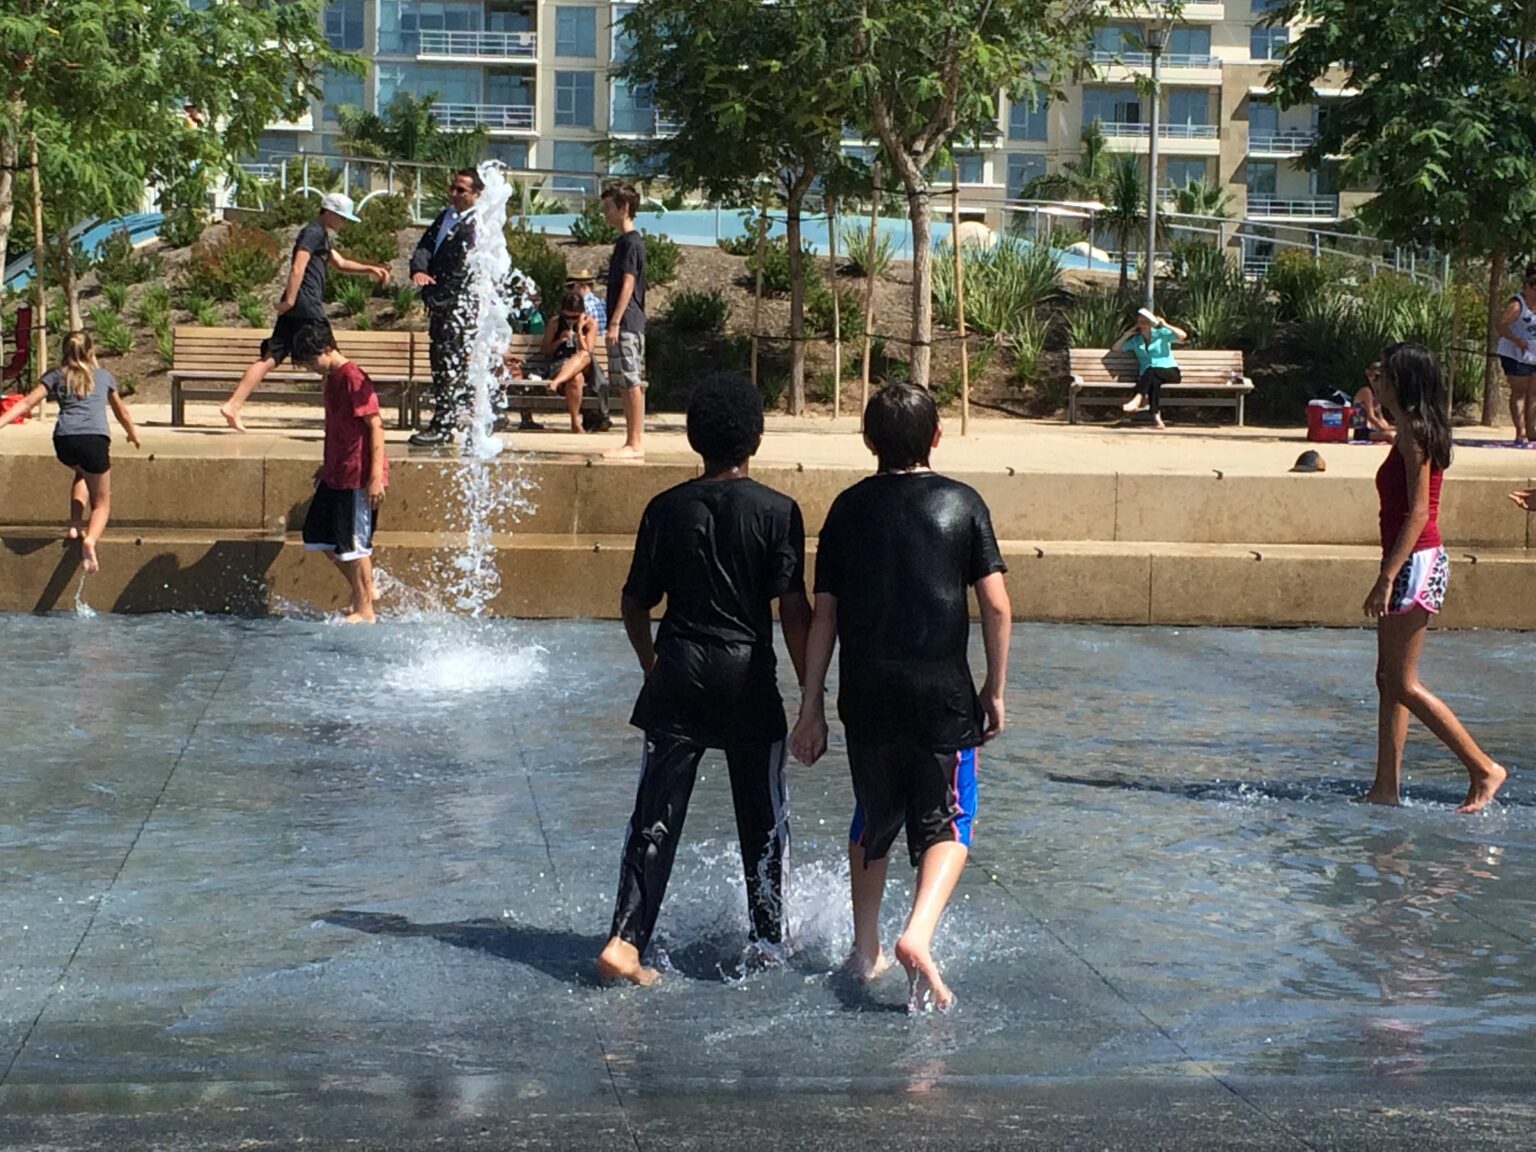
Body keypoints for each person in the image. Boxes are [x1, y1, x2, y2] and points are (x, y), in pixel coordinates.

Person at [789, 383, 1012, 1013]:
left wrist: (810, 707)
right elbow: (996, 604)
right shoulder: (962, 503)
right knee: (950, 819)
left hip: (867, 696)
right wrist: (994, 689)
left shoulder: (845, 510)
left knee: (873, 813)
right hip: (942, 694)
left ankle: (865, 951)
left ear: (868, 442)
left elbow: (824, 617)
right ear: (937, 438)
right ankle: (915, 935)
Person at [596, 373, 812, 986]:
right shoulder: (778, 512)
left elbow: (635, 604)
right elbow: (792, 610)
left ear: (694, 439)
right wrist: (811, 695)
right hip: (748, 676)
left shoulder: (665, 509)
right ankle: (767, 941)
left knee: (653, 816)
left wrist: (652, 667)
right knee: (763, 816)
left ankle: (625, 941)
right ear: (757, 438)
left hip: (679, 669)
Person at [1361, 342, 1505, 813]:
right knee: (1388, 678)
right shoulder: (1408, 428)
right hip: (1408, 560)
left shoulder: (1416, 435)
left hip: (1416, 562)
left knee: (1402, 682)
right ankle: (1386, 787)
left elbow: (1420, 511)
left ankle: (1483, 768)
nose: (1376, 380)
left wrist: (1387, 575)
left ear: (1404, 383)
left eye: (1385, 374)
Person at [219, 193, 389, 432]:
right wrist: (289, 300)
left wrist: (369, 268)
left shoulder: (320, 235)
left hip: (297, 305)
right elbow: (298, 266)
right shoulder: (313, 232)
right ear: (328, 212)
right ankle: (340, 416)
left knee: (271, 357)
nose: (344, 223)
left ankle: (233, 404)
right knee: (332, 359)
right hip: (305, 305)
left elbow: (340, 263)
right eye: (342, 217)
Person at [0, 331, 139, 573]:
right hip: (94, 442)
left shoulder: (55, 375)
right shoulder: (104, 376)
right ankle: (90, 540)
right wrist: (132, 433)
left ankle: (75, 524)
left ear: (63, 352)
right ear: (91, 352)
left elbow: (26, 403)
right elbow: (121, 412)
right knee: (102, 503)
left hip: (64, 442)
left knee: (82, 473)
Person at [292, 321, 389, 624]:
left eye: (311, 360)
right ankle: (366, 590)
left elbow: (375, 427)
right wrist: (328, 463)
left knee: (354, 544)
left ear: (328, 348)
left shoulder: (352, 377)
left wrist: (374, 478)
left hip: (358, 475)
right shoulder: (331, 377)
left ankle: (364, 609)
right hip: (337, 471)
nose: (310, 367)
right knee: (317, 534)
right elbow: (339, 427)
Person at [409, 168, 481, 447]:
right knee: (441, 362)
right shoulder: (446, 216)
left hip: (459, 308)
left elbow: (464, 272)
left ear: (476, 194)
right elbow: (425, 246)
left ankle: (447, 423)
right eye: (453, 188)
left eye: (461, 190)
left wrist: (443, 300)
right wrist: (419, 269)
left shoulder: (478, 225)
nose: (454, 194)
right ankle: (446, 421)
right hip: (440, 304)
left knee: (452, 363)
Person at [600, 183, 647, 460]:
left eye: (609, 208)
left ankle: (635, 442)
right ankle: (630, 439)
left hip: (627, 322)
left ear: (624, 208)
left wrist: (615, 322)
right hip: (624, 322)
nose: (605, 213)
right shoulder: (624, 242)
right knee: (623, 381)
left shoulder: (631, 242)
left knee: (631, 381)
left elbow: (628, 283)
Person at [1115, 307, 1187, 430]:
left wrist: (1165, 324)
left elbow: (1182, 336)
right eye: (1140, 320)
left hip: (1169, 371)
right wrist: (1126, 335)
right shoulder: (1136, 341)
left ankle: (1137, 399)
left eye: (1145, 320)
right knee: (1154, 381)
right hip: (1150, 376)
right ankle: (1157, 419)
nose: (1142, 322)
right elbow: (1116, 348)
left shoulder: (1162, 334)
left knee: (1152, 370)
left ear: (1151, 322)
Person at [537, 291, 599, 433]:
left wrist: (579, 332)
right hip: (561, 363)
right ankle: (574, 421)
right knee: (576, 378)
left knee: (583, 356)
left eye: (575, 317)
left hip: (585, 365)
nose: (570, 320)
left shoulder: (590, 324)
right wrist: (559, 340)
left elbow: (588, 352)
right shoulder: (555, 323)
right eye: (567, 317)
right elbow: (545, 350)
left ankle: (556, 382)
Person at [1493, 264, 1536, 444]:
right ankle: (1520, 432)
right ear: (1527, 287)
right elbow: (1500, 325)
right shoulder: (1517, 305)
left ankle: (1532, 430)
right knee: (1520, 391)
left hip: (1533, 352)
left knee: (1534, 392)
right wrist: (1516, 339)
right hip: (1514, 352)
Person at [1353, 360, 1394, 442]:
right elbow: (1371, 417)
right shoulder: (1366, 392)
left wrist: (1387, 427)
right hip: (1362, 431)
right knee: (1391, 436)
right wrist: (1384, 429)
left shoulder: (1377, 394)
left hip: (1374, 429)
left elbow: (1380, 416)